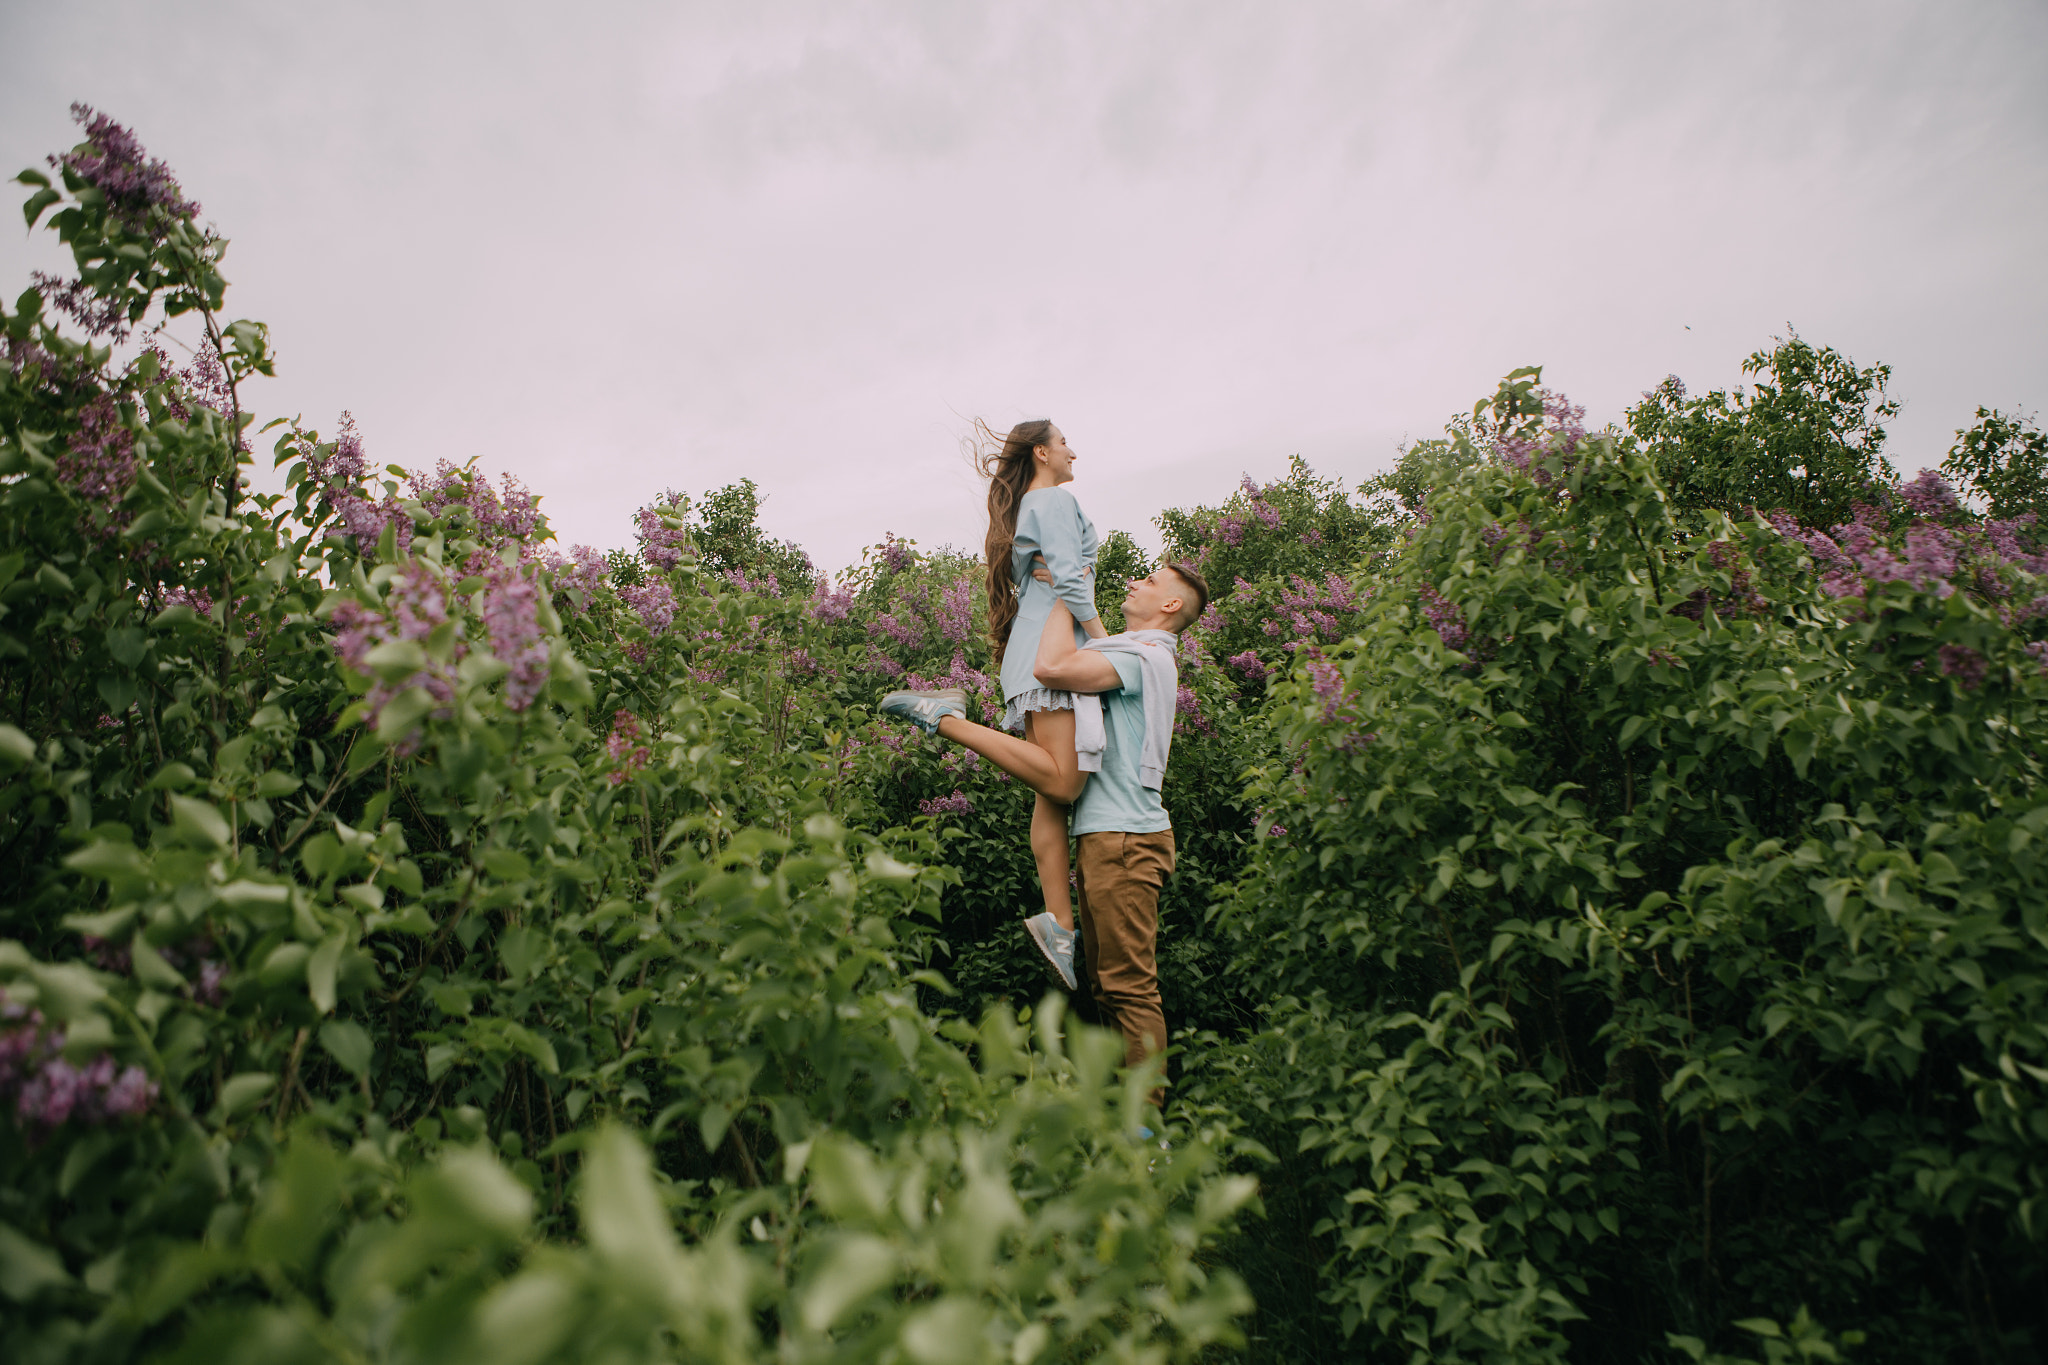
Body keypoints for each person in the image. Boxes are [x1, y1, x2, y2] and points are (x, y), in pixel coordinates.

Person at [880, 560, 1209, 1116]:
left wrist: (1063, 591)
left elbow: (1053, 666)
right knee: (1109, 989)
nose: (1135, 581)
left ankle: (1146, 1127)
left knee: (1129, 988)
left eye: (1150, 581)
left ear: (1171, 606)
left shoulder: (1143, 655)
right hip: (1112, 839)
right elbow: (1087, 654)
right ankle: (1126, 1114)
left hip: (1123, 842)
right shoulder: (1139, 653)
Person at [892, 419, 1105, 989]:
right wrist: (1109, 647)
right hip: (1052, 651)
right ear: (1042, 452)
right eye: (1065, 443)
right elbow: (1069, 581)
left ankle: (1060, 924)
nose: (1073, 451)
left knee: (1050, 799)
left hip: (1033, 648)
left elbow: (1050, 578)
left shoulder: (1028, 509)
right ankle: (946, 718)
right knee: (1064, 783)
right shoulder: (1054, 500)